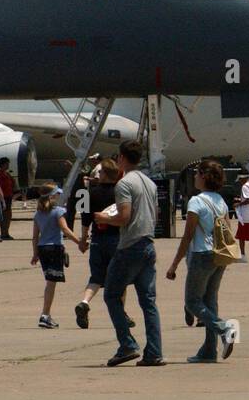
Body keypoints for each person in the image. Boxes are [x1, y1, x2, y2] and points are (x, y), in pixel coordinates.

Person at [166, 160, 238, 363]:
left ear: (204, 177)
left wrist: (174, 264)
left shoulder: (196, 202)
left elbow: (187, 236)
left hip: (201, 254)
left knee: (192, 302)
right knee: (210, 301)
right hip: (219, 255)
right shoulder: (221, 201)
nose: (195, 177)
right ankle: (208, 350)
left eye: (197, 174)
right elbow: (227, 230)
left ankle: (224, 328)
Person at [102, 140, 165, 367]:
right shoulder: (150, 183)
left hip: (130, 246)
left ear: (121, 158)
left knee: (111, 295)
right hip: (148, 243)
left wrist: (104, 218)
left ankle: (127, 344)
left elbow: (124, 217)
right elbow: (155, 214)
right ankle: (155, 351)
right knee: (148, 302)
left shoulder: (124, 184)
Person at [74, 160, 134, 329]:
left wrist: (83, 239)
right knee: (120, 279)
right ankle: (121, 313)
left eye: (100, 173)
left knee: (96, 277)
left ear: (105, 174)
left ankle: (84, 302)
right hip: (117, 240)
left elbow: (85, 218)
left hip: (97, 240)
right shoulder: (121, 192)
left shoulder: (87, 193)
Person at [31, 183, 84, 328]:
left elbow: (35, 236)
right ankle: (45, 315)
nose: (60, 196)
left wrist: (35, 253)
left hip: (42, 249)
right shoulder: (58, 211)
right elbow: (65, 230)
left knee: (50, 282)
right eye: (58, 194)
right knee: (51, 284)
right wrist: (79, 242)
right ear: (52, 196)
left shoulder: (38, 214)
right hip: (54, 249)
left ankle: (46, 314)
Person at [0, 157, 16, 239]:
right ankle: (3, 233)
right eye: (7, 164)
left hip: (9, 197)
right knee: (4, 216)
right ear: (3, 165)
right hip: (3, 198)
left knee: (8, 215)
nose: (8, 165)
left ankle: (6, 232)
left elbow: (13, 183)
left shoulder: (7, 174)